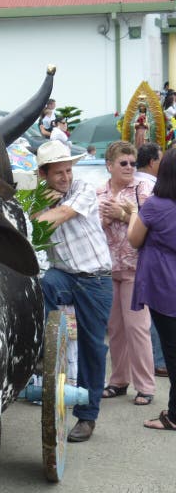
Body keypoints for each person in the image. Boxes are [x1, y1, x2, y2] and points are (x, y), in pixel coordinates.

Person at [33, 140, 113, 443]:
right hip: (64, 276)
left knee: (94, 348)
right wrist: (38, 205)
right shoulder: (37, 199)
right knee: (43, 285)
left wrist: (36, 212)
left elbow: (61, 215)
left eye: (68, 170)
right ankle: (41, 350)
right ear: (43, 174)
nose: (65, 176)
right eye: (58, 173)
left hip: (95, 280)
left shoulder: (83, 188)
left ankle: (88, 417)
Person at [97, 141, 155, 406]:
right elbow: (92, 224)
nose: (130, 167)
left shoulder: (144, 188)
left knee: (137, 328)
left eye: (132, 163)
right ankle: (119, 380)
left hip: (136, 267)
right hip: (108, 268)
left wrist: (122, 214)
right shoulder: (99, 191)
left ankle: (146, 386)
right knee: (115, 329)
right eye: (124, 163)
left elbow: (149, 222)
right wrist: (112, 217)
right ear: (110, 166)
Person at [128, 146, 176, 431]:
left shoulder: (156, 205)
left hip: (164, 285)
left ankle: (173, 416)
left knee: (172, 354)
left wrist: (134, 212)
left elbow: (135, 239)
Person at [133, 143, 168, 378]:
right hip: (149, 257)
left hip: (145, 258)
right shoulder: (149, 187)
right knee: (157, 314)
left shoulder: (144, 184)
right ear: (153, 162)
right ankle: (159, 361)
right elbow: (140, 232)